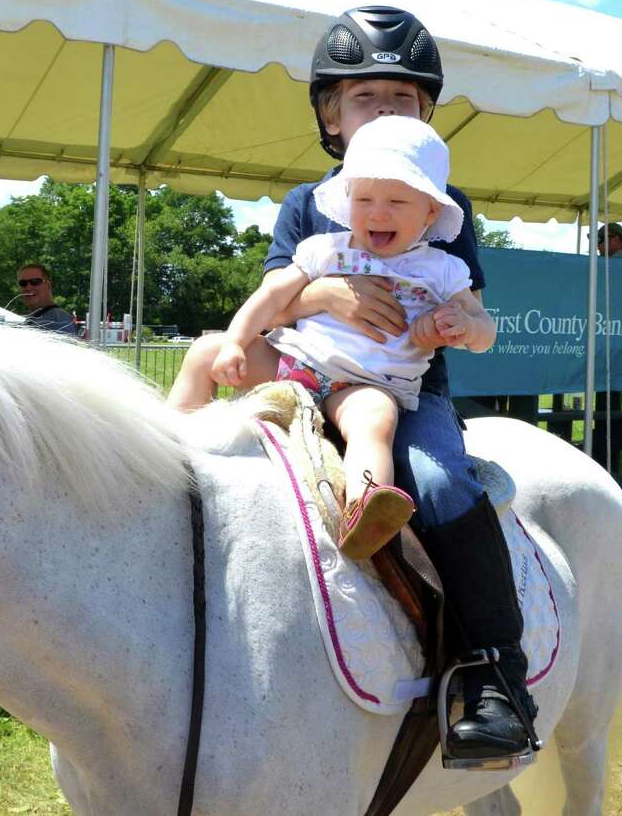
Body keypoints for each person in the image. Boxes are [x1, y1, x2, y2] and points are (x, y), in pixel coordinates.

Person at [167, 5, 538, 764]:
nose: (386, 112)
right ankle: (154, 470)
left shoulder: (447, 211)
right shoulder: (311, 204)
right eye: (367, 98)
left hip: (404, 389)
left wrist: (455, 322)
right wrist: (325, 294)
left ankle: (498, 673)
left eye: (405, 100)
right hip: (306, 362)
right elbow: (276, 290)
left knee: (438, 485)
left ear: (429, 118)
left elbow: (470, 303)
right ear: (331, 116)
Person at [211, 117, 493, 559]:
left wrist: (463, 326)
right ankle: (173, 440)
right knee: (203, 350)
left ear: (431, 212)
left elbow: (484, 329)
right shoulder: (326, 249)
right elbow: (271, 296)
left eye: (397, 201)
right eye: (364, 199)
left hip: (367, 386)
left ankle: (365, 509)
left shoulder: (441, 269)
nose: (378, 212)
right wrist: (233, 340)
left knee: (374, 425)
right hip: (297, 364)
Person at [17, 264, 79, 336]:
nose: (28, 288)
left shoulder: (58, 321)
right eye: (23, 283)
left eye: (35, 281)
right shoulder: (38, 317)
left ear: (48, 285)